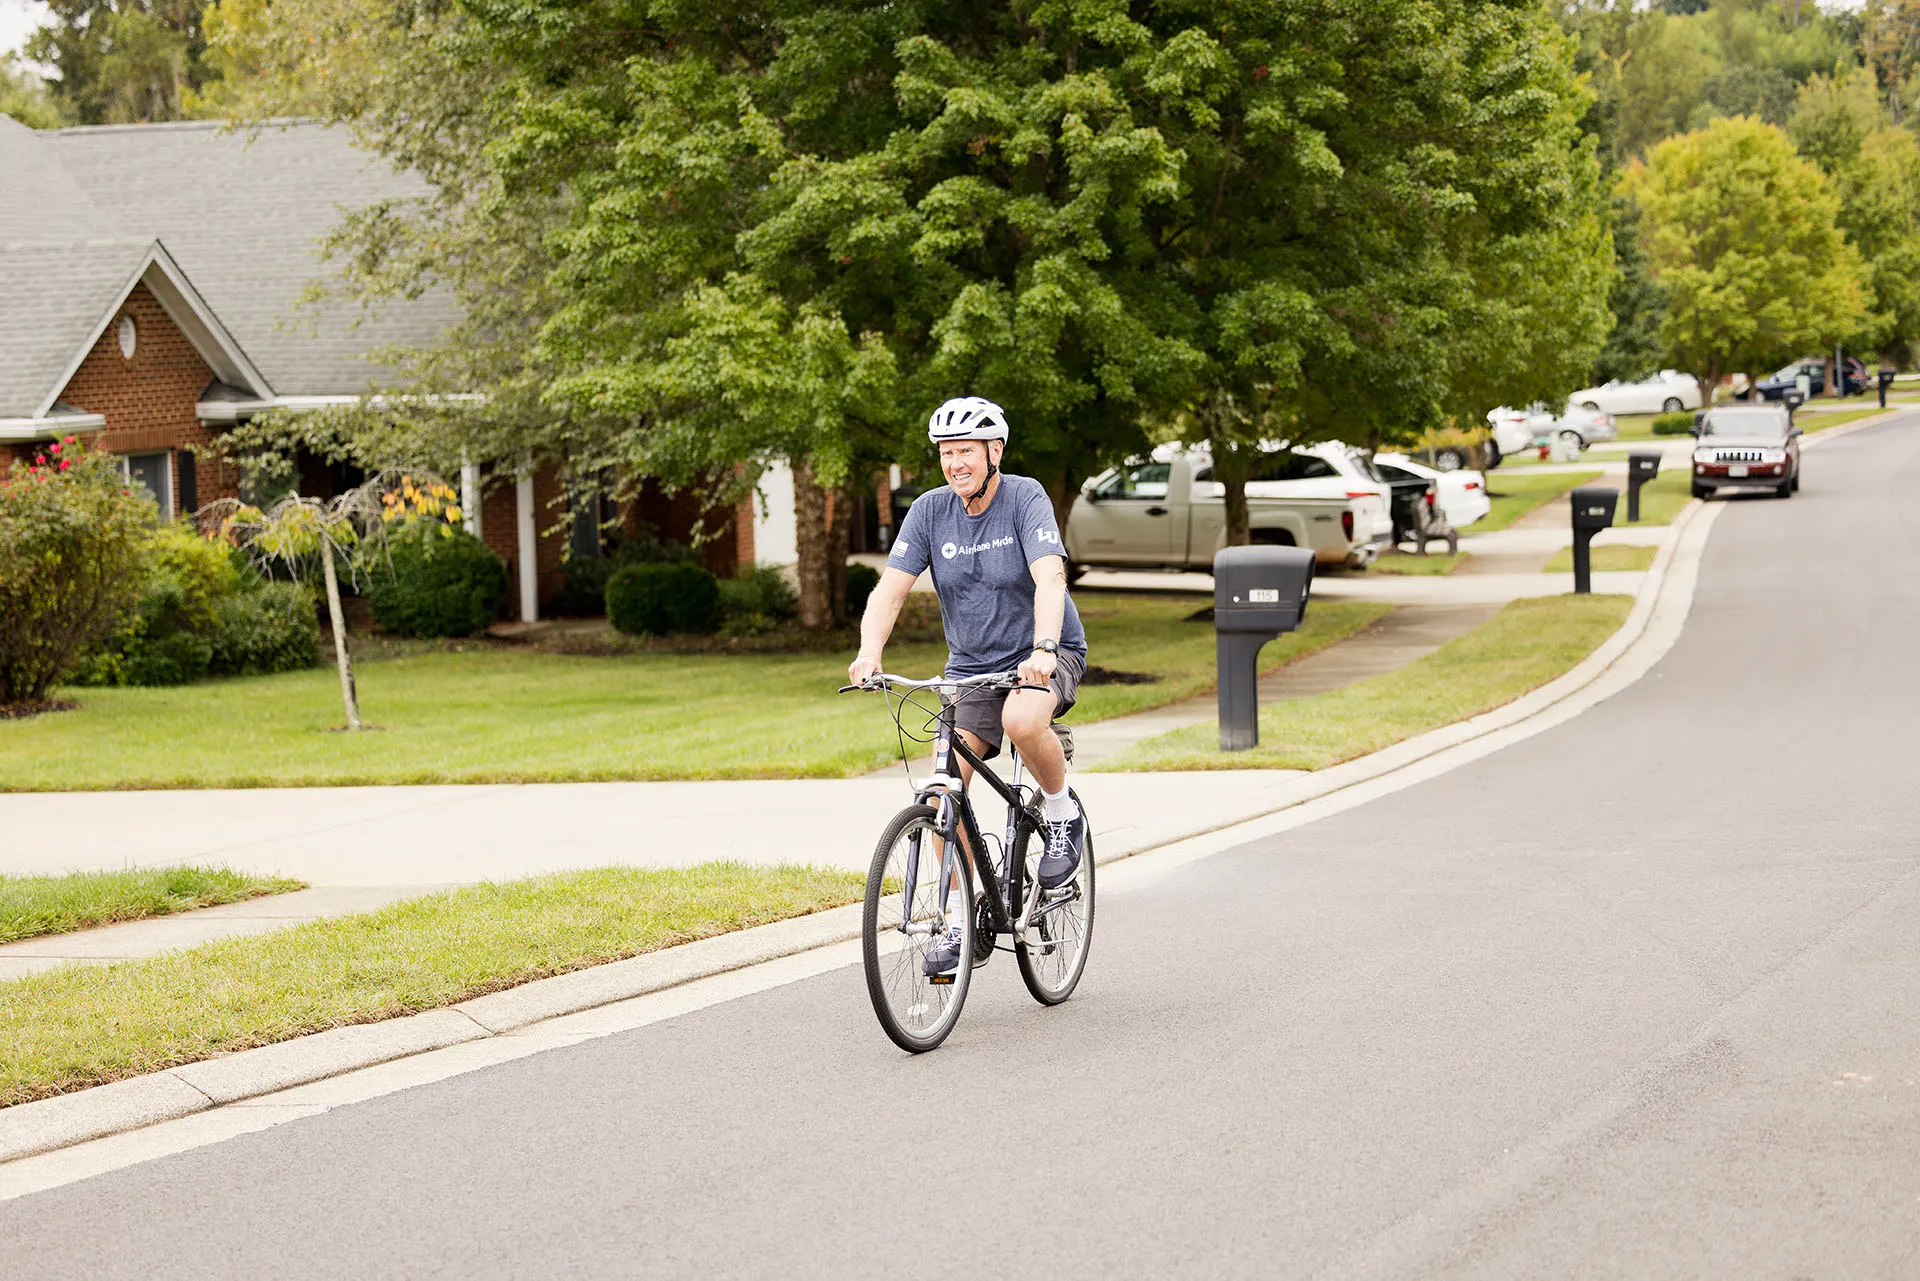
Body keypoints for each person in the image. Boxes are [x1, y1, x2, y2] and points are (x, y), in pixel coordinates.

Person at [848, 396, 1090, 975]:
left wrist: (1044, 650)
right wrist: (868, 651)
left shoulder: (1024, 498)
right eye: (946, 453)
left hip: (1043, 652)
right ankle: (960, 918)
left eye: (965, 452)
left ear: (994, 452)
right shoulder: (930, 512)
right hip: (972, 669)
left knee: (1023, 722)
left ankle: (1060, 815)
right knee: (941, 794)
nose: (955, 463)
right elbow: (891, 589)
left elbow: (1050, 578)